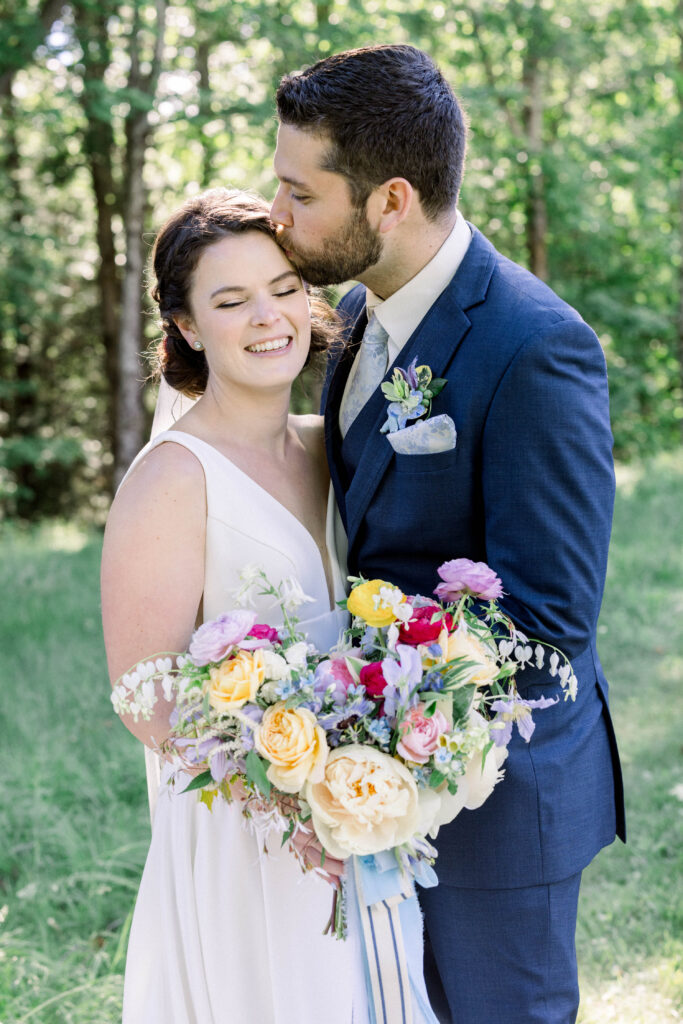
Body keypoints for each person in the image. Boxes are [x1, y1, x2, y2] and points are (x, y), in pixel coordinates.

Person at [271, 44, 625, 1024]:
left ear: (387, 199)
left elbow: (544, 616)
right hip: (370, 794)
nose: (277, 214)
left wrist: (384, 745)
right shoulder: (354, 311)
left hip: (493, 800)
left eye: (300, 191)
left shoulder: (532, 345)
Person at [100, 189, 369, 1024]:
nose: (269, 317)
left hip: (361, 814)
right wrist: (286, 799)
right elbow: (145, 694)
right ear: (186, 326)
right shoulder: (171, 477)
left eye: (284, 287)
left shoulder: (335, 445)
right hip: (248, 832)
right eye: (231, 300)